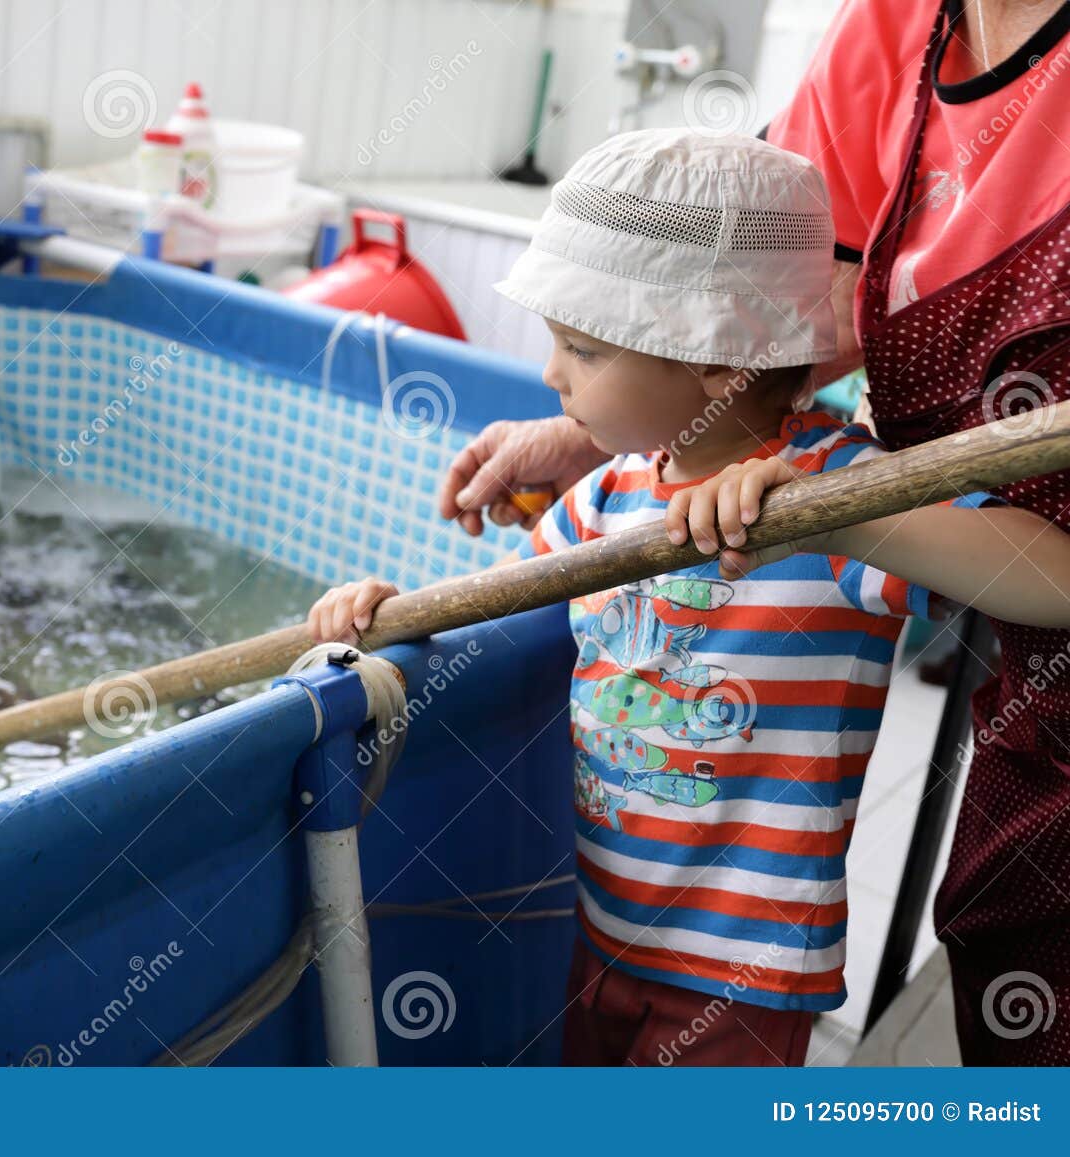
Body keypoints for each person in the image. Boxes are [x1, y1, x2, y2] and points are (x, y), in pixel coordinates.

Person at [309, 129, 1070, 1066]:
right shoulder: (608, 495)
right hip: (596, 921)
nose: (552, 376)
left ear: (722, 362)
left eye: (581, 350)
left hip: (742, 969)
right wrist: (384, 616)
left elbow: (1053, 582)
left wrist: (837, 523)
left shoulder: (834, 488)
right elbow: (487, 614)